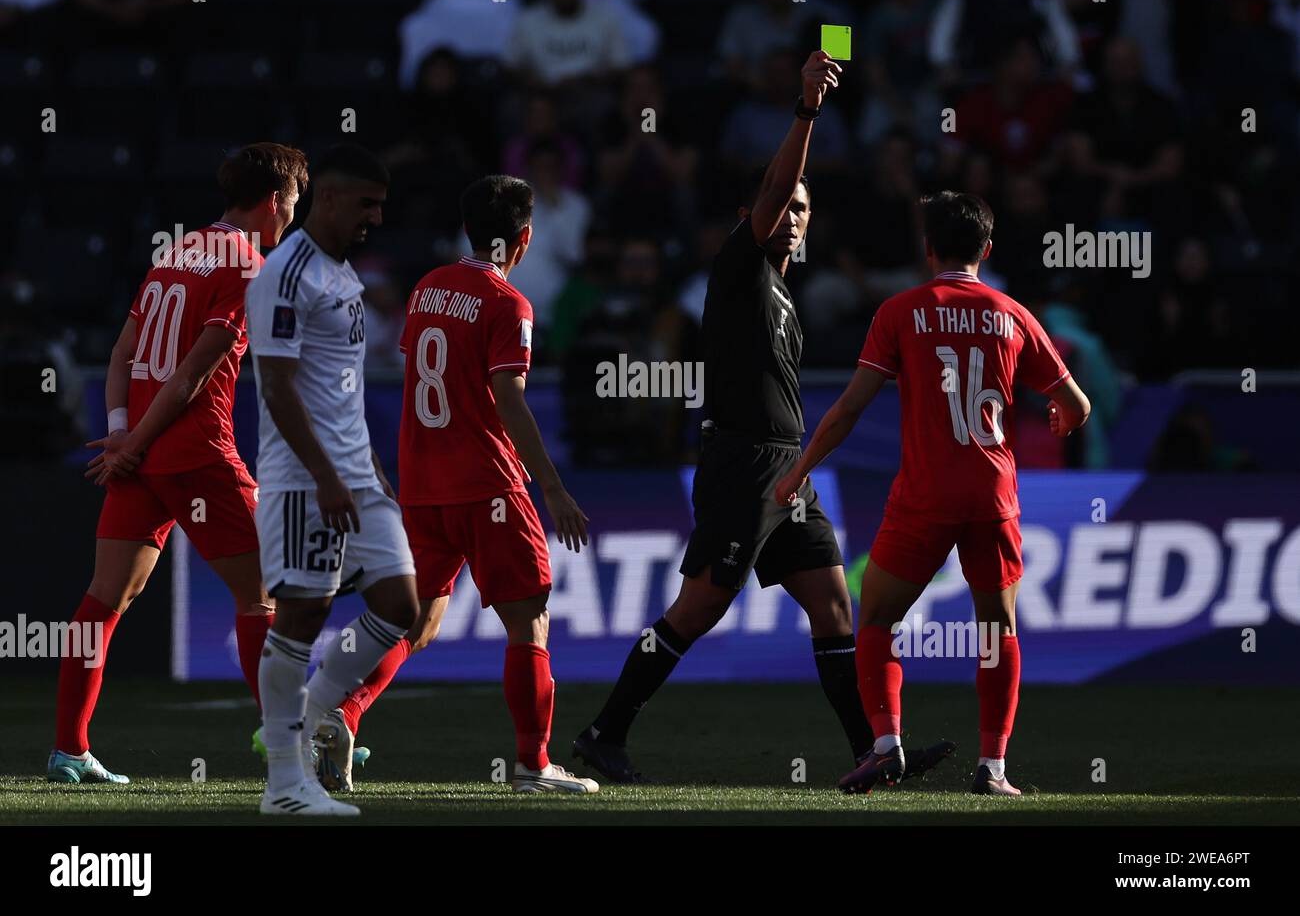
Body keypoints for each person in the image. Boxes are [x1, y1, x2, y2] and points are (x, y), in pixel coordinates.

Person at [573, 50, 954, 785]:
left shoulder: (786, 298)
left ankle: (871, 754)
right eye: (783, 207)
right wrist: (807, 109)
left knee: (835, 606)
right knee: (699, 608)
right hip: (743, 463)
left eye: (803, 212)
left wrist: (802, 469)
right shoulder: (739, 269)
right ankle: (605, 730)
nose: (791, 217)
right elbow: (778, 185)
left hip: (790, 469)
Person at [773, 191, 1091, 796]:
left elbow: (848, 411)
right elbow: (1076, 404)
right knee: (997, 629)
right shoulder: (1012, 312)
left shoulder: (901, 311)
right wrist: (1061, 420)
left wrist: (799, 469)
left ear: (927, 250)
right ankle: (993, 768)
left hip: (924, 494)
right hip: (992, 494)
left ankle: (887, 744)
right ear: (987, 250)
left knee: (878, 617)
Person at [329, 175, 598, 795]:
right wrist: (552, 486)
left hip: (423, 486)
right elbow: (508, 397)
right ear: (524, 238)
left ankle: (344, 712)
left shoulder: (427, 288)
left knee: (416, 624)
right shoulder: (509, 304)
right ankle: (533, 766)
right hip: (489, 486)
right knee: (529, 625)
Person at [48, 143, 306, 784]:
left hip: (141, 455)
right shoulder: (247, 266)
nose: (293, 222)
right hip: (194, 454)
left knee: (104, 599)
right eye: (295, 206)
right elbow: (192, 375)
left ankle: (68, 750)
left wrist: (120, 434)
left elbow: (120, 353)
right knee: (262, 595)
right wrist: (134, 443)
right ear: (274, 202)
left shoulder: (179, 250)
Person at [244, 145, 419, 816]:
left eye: (381, 204)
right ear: (331, 199)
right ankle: (285, 782)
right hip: (301, 479)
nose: (376, 217)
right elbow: (278, 387)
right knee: (300, 617)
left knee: (401, 603)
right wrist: (324, 474)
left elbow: (338, 392)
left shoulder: (340, 271)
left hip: (355, 474)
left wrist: (370, 471)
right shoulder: (285, 273)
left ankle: (317, 709)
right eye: (366, 204)